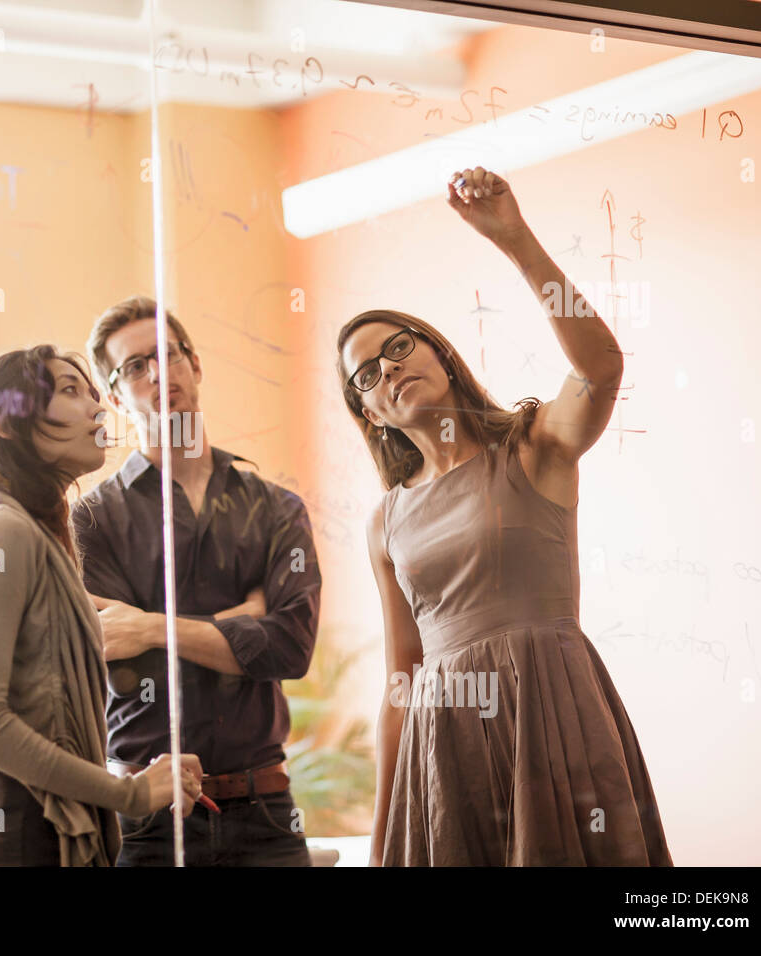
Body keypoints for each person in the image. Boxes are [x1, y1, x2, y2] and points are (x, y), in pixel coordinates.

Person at [342, 167, 673, 866]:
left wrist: (516, 242)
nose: (388, 369)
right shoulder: (385, 519)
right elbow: (402, 675)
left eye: (398, 346)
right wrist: (382, 840)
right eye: (366, 374)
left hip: (552, 714)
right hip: (444, 748)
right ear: (369, 413)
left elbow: (602, 368)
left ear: (440, 352)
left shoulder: (533, 445)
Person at [0, 345, 202, 866]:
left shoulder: (4, 529)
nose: (99, 409)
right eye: (71, 391)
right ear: (7, 422)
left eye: (96, 395)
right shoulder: (3, 532)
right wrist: (128, 794)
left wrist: (6, 783)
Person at [75, 298, 321, 866]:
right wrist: (242, 619)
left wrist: (152, 626)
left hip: (266, 811)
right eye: (135, 366)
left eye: (169, 355)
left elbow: (290, 646)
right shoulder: (91, 520)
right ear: (114, 396)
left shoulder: (276, 507)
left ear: (196, 365)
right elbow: (116, 650)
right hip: (144, 816)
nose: (158, 374)